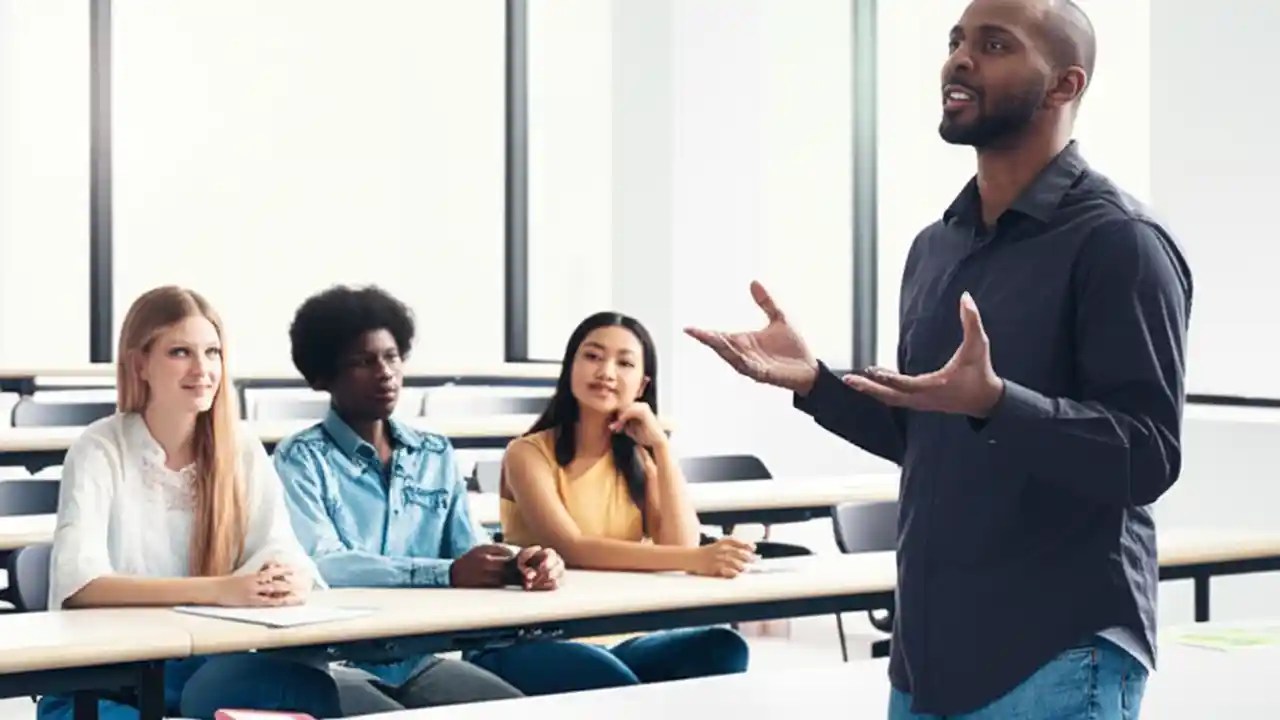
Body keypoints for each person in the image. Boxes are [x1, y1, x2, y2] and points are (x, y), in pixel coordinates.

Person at [687, 1, 1193, 718]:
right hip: (929, 654)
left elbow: (1147, 456)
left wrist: (997, 402)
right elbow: (929, 434)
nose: (959, 59)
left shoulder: (1120, 243)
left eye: (993, 44)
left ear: (1064, 85)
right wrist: (818, 383)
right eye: (956, 40)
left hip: (1054, 652)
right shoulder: (936, 246)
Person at [273, 286, 672, 708]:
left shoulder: (433, 452)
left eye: (391, 357)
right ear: (323, 376)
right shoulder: (299, 459)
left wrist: (522, 561)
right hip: (336, 662)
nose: (385, 372)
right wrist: (444, 573)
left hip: (418, 658)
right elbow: (323, 564)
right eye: (362, 362)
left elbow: (469, 546)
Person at [38, 286, 343, 720]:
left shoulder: (240, 448)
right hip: (100, 684)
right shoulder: (100, 448)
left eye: (213, 352)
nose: (203, 369)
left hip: (197, 675)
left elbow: (277, 547)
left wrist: (285, 579)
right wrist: (221, 591)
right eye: (180, 352)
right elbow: (82, 585)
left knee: (309, 689)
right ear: (140, 363)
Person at [485, 310, 752, 691]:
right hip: (531, 635)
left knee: (722, 648)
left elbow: (681, 543)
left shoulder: (641, 460)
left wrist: (660, 446)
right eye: (592, 356)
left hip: (617, 632)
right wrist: (696, 560)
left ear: (641, 385)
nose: (606, 372)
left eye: (624, 363)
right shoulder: (526, 454)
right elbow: (570, 548)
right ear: (571, 367)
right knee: (615, 683)